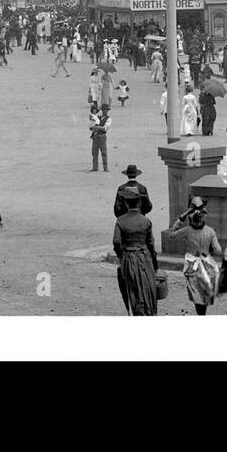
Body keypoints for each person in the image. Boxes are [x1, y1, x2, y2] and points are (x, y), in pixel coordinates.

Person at [112, 184, 159, 316]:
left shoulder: (121, 221)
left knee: (132, 289)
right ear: (138, 202)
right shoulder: (146, 221)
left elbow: (116, 242)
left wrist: (121, 256)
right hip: (145, 258)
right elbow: (151, 245)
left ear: (126, 203)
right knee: (147, 289)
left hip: (128, 258)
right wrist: (155, 264)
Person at [178, 197, 222, 316]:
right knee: (205, 294)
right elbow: (218, 251)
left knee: (196, 296)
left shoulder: (186, 230)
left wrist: (182, 216)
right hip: (207, 266)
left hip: (192, 267)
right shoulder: (210, 231)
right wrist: (210, 251)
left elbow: (172, 232)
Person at [89, 103, 110, 171]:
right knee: (94, 152)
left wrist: (96, 127)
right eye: (103, 110)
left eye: (106, 110)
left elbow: (104, 128)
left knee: (103, 152)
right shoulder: (98, 117)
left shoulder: (109, 119)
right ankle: (95, 167)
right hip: (95, 136)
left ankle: (105, 167)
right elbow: (91, 124)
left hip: (102, 136)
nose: (104, 111)